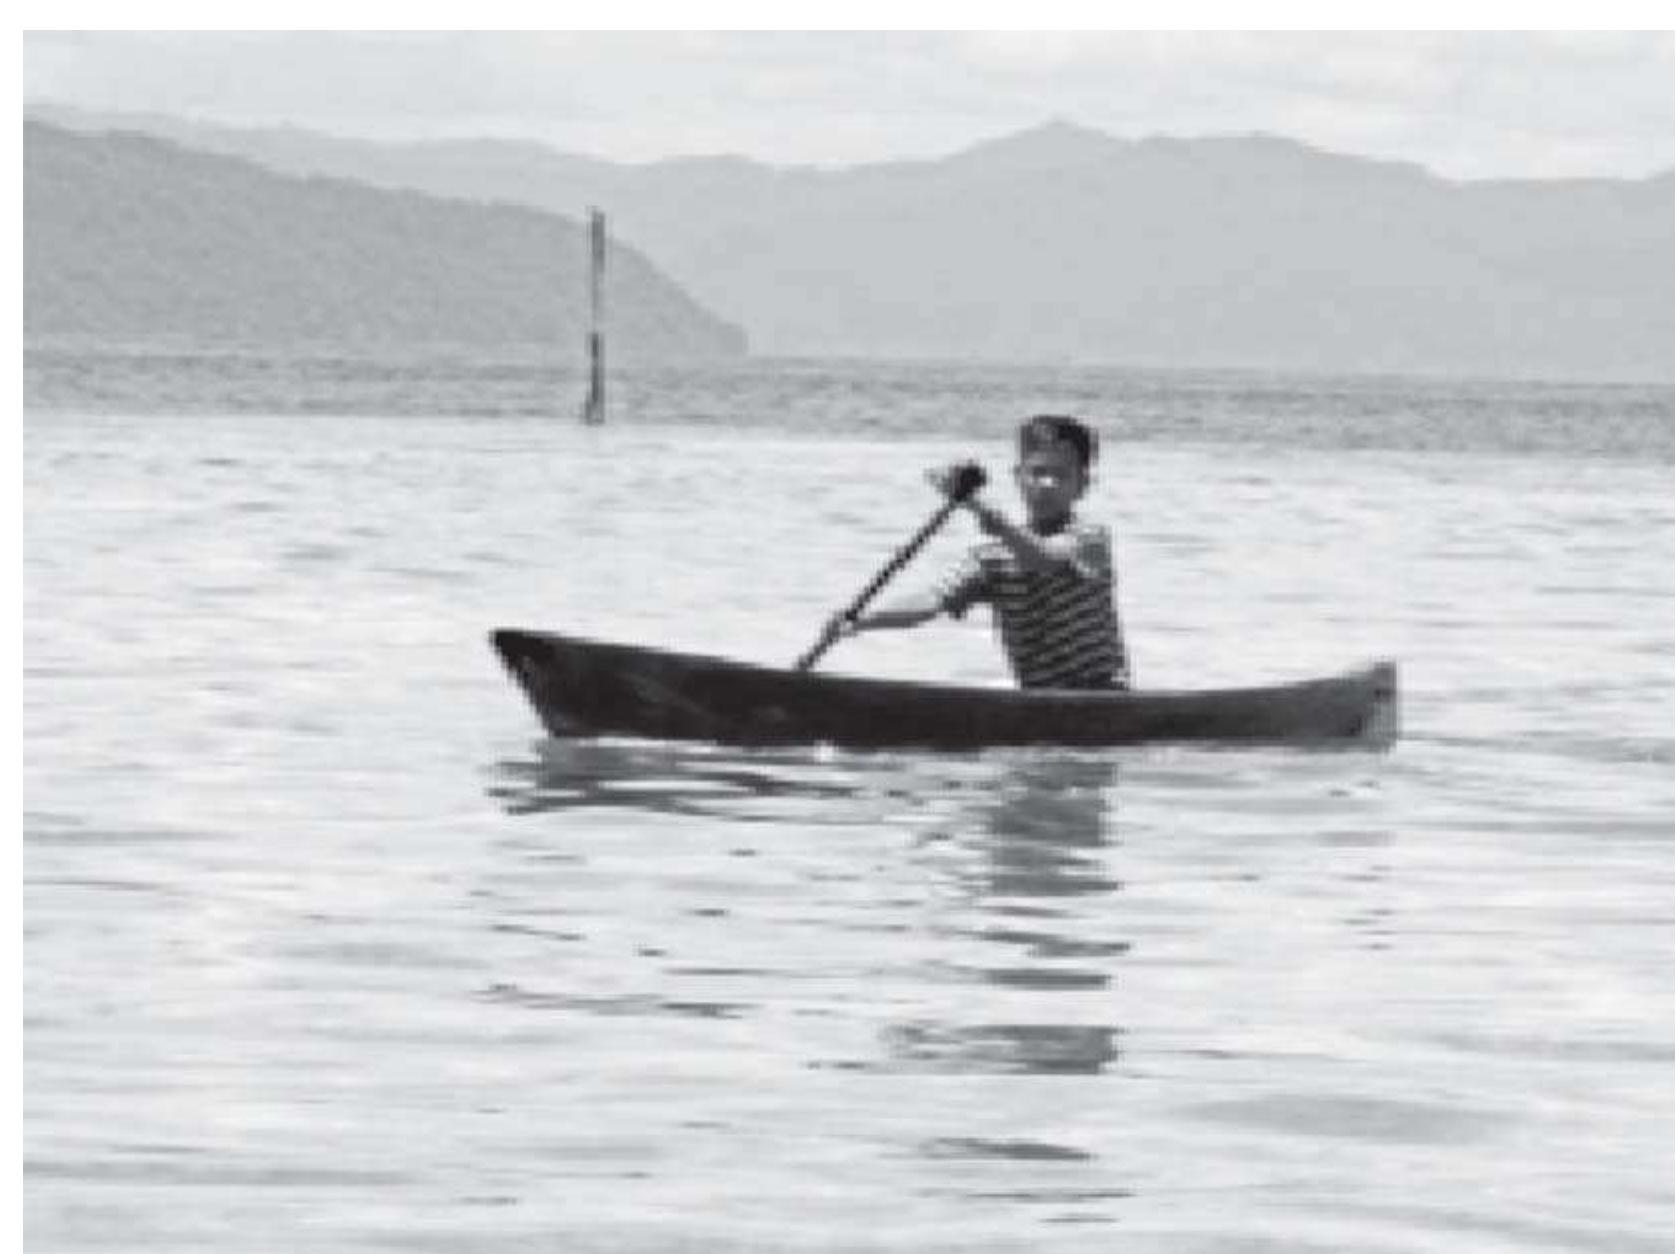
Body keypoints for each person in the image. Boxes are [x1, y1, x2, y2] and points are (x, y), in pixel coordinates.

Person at [824, 414, 1131, 690]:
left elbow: (1044, 559)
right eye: (1038, 472)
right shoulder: (990, 558)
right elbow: (933, 601)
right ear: (1018, 478)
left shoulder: (1090, 538)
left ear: (1083, 486)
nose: (1047, 484)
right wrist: (861, 620)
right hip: (1038, 700)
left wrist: (977, 506)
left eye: (1061, 475)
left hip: (1104, 693)